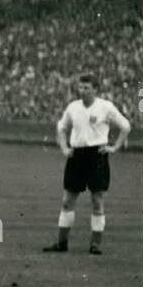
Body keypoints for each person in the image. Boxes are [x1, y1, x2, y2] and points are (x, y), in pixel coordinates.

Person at [43, 74, 131, 254]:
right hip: (76, 156)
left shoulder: (105, 107)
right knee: (67, 200)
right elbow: (61, 127)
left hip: (97, 155)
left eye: (86, 87)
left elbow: (125, 126)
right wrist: (64, 147)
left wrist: (114, 147)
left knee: (97, 200)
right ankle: (62, 243)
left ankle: (95, 245)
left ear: (95, 89)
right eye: (80, 87)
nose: (82, 90)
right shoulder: (73, 107)